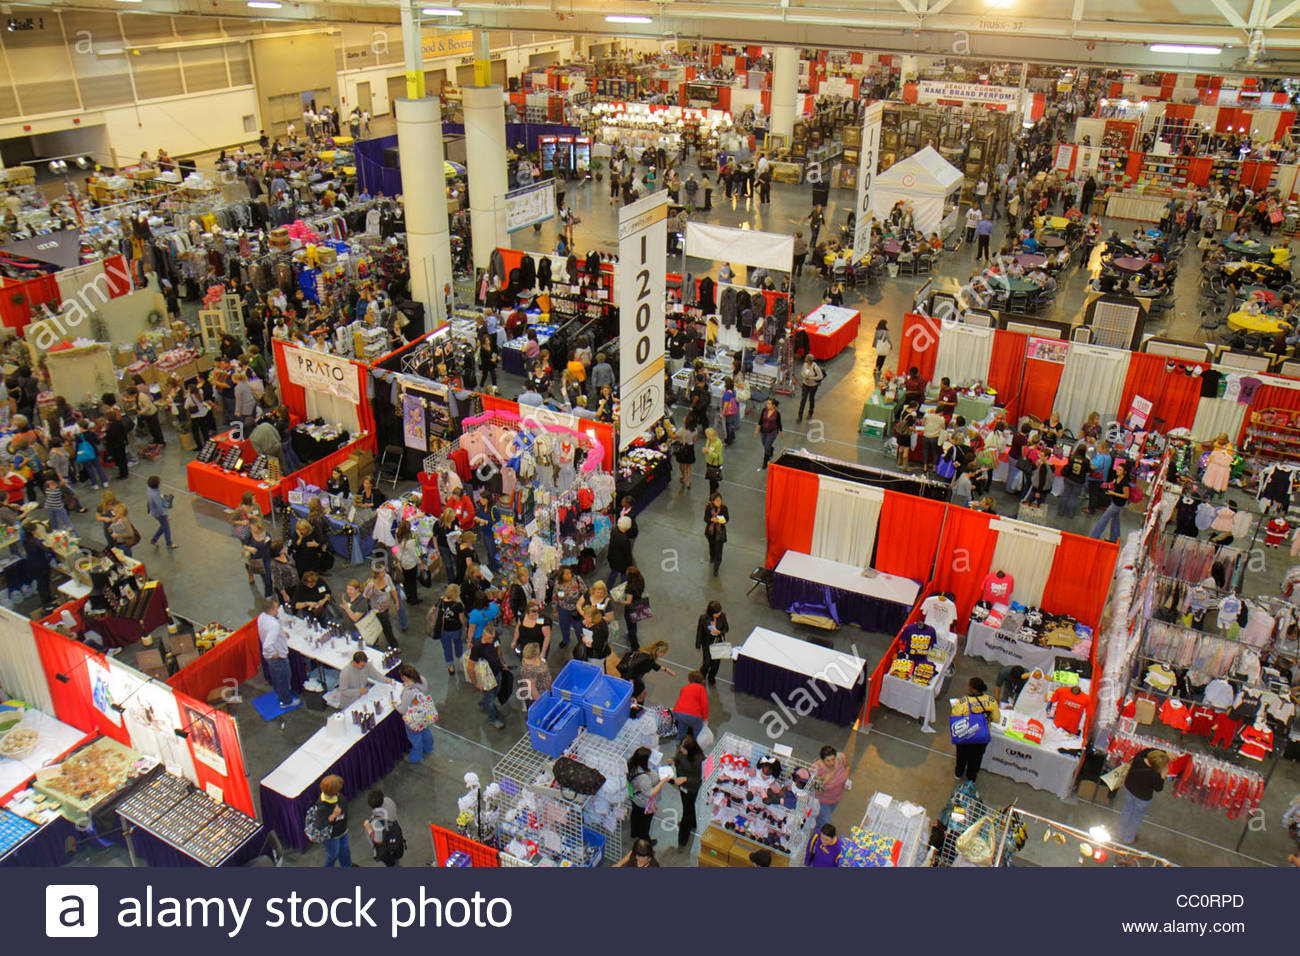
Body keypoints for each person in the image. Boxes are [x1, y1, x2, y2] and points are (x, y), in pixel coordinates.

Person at [1117, 748, 1172, 845]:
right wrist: (1162, 777)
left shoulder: (1138, 759)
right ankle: (1128, 838)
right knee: (1137, 816)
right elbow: (1158, 788)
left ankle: (1120, 833)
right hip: (1142, 798)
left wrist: (1164, 752)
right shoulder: (1155, 775)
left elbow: (1145, 750)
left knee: (1127, 810)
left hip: (1129, 788)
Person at [951, 677, 1001, 782]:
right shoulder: (991, 700)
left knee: (962, 755)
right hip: (982, 735)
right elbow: (996, 719)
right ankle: (971, 776)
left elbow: (955, 715)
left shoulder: (964, 702)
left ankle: (958, 773)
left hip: (966, 734)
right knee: (976, 757)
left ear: (972, 689)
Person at [258, 597, 297, 710]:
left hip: (270, 658)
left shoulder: (262, 617)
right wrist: (274, 654)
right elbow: (267, 646)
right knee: (283, 678)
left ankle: (279, 693)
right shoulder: (273, 625)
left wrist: (281, 633)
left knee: (276, 677)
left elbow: (267, 631)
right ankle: (286, 701)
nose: (278, 609)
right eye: (276, 608)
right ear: (271, 610)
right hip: (277, 657)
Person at [626, 746, 670, 842]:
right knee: (645, 823)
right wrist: (663, 781)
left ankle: (634, 833)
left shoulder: (632, 764)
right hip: (643, 802)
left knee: (635, 816)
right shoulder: (642, 778)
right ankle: (645, 839)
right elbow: (650, 793)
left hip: (635, 798)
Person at [469, 624, 507, 728]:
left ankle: (482, 703)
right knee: (491, 700)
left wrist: (502, 663)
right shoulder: (477, 647)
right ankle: (493, 718)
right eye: (488, 638)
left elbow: (498, 650)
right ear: (483, 635)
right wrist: (475, 683)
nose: (491, 640)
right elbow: (470, 667)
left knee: (495, 692)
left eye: (492, 637)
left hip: (497, 673)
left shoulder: (495, 639)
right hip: (487, 678)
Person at [395, 664, 435, 763]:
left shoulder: (408, 692)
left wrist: (396, 706)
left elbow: (403, 709)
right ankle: (429, 748)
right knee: (426, 731)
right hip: (424, 714)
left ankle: (416, 757)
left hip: (413, 718)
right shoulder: (422, 680)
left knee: (415, 738)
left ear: (404, 677)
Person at [672, 733, 704, 848]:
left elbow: (698, 778)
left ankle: (682, 840)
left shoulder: (698, 760)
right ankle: (692, 823)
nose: (680, 750)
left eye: (683, 749)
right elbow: (678, 758)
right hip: (682, 786)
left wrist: (685, 779)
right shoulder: (682, 752)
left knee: (687, 810)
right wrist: (673, 761)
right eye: (680, 747)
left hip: (690, 788)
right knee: (688, 807)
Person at [314, 774, 351, 867]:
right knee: (333, 855)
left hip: (342, 830)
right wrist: (333, 816)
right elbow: (319, 825)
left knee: (345, 851)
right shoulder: (322, 806)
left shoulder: (339, 797)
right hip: (332, 837)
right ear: (332, 792)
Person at [429, 584, 467, 675]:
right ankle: (460, 660)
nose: (460, 592)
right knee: (458, 643)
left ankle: (450, 666)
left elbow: (434, 611)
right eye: (458, 591)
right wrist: (465, 627)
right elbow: (462, 619)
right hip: (456, 630)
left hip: (443, 630)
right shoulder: (458, 605)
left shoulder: (441, 601)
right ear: (455, 594)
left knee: (447, 648)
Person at [1091, 457, 1130, 543]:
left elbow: (1126, 495)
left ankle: (1094, 536)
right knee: (1115, 520)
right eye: (1118, 469)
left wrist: (1114, 494)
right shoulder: (1117, 478)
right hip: (1114, 501)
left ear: (1124, 472)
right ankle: (1114, 538)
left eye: (1120, 470)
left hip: (1117, 504)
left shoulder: (1125, 483)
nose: (1117, 471)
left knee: (1104, 519)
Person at [811, 745, 850, 827]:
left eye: (833, 759)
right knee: (825, 823)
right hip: (824, 802)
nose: (831, 763)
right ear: (822, 759)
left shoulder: (841, 758)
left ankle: (818, 822)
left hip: (837, 798)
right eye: (828, 761)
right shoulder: (816, 769)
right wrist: (826, 780)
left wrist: (845, 779)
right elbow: (815, 788)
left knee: (822, 819)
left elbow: (847, 766)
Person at [363, 565, 400, 650]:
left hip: (387, 607)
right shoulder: (371, 585)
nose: (385, 573)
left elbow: (392, 589)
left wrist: (396, 601)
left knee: (385, 626)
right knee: (386, 627)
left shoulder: (387, 578)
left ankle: (375, 642)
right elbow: (366, 597)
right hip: (378, 610)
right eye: (382, 572)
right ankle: (394, 645)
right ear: (377, 574)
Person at [363, 788, 400, 866]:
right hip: (396, 836)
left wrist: (369, 829)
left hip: (386, 847)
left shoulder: (375, 822)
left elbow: (378, 840)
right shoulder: (389, 801)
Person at [695, 600, 729, 686]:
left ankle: (711, 678)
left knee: (715, 664)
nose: (719, 614)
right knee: (706, 663)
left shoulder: (722, 616)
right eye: (717, 613)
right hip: (707, 642)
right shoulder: (703, 618)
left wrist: (719, 632)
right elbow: (700, 631)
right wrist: (698, 645)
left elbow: (726, 628)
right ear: (711, 613)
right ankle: (702, 676)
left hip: (717, 642)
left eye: (720, 612)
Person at [672, 670, 709, 741]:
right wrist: (705, 718)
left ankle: (680, 742)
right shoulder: (701, 689)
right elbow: (705, 704)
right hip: (693, 715)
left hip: (677, 712)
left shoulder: (684, 688)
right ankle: (696, 743)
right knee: (697, 728)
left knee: (682, 726)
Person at [145, 474, 177, 549]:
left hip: (154, 512)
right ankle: (168, 543)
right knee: (166, 528)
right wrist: (165, 515)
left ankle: (155, 540)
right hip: (159, 514)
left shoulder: (150, 489)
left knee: (164, 527)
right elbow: (159, 506)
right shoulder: (155, 495)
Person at [394, 519, 421, 607]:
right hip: (410, 563)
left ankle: (408, 597)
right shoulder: (409, 542)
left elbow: (396, 548)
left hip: (402, 562)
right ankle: (414, 599)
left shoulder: (397, 535)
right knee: (412, 582)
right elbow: (414, 554)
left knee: (406, 581)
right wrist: (420, 562)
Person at [1058, 445, 1090, 519]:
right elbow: (1088, 472)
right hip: (1079, 481)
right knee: (1074, 497)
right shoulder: (1086, 461)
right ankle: (1070, 514)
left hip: (1069, 478)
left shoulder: (1071, 458)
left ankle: (1061, 511)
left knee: (1065, 495)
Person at [703, 493, 729, 576]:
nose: (719, 502)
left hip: (719, 532)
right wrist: (711, 519)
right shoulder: (709, 508)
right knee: (712, 546)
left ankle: (716, 568)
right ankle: (712, 557)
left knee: (719, 550)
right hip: (711, 532)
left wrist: (721, 520)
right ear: (713, 501)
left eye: (720, 500)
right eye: (717, 500)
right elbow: (706, 519)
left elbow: (726, 518)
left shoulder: (724, 508)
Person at [606, 515, 634, 588]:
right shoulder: (625, 540)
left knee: (613, 574)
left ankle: (608, 588)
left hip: (613, 559)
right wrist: (630, 564)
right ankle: (622, 589)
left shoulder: (614, 531)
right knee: (624, 577)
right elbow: (627, 554)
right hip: (622, 563)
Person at [755, 398, 783, 470]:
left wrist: (781, 432)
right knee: (765, 444)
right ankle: (771, 449)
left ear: (773, 405)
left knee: (766, 446)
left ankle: (765, 462)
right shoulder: (764, 410)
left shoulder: (777, 414)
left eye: (769, 404)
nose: (767, 405)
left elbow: (779, 423)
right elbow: (760, 421)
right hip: (764, 431)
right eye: (767, 403)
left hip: (772, 432)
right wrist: (757, 430)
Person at [796, 354, 825, 423]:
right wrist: (804, 376)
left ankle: (810, 412)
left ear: (809, 360)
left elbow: (820, 376)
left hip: (813, 386)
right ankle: (800, 416)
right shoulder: (805, 365)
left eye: (806, 358)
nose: (805, 359)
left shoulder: (815, 367)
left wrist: (810, 378)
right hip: (805, 385)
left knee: (811, 399)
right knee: (803, 400)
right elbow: (802, 372)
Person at [702, 427, 724, 495]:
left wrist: (708, 451)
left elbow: (717, 455)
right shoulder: (709, 440)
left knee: (712, 481)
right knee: (712, 480)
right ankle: (715, 488)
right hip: (709, 462)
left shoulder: (718, 443)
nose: (707, 436)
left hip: (715, 464)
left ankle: (712, 495)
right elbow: (707, 447)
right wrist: (705, 450)